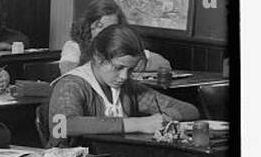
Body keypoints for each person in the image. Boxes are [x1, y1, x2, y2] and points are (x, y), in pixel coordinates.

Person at [48, 23, 198, 144]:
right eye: (118, 68)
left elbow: (189, 109)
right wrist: (138, 124)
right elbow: (63, 125)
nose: (124, 76)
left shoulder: (127, 88)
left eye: (130, 69)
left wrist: (163, 119)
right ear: (98, 58)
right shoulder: (71, 85)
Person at [59, 0, 172, 75]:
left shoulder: (122, 45)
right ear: (88, 26)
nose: (105, 32)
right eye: (99, 26)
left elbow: (164, 64)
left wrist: (138, 63)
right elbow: (68, 72)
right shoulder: (74, 46)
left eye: (111, 28)